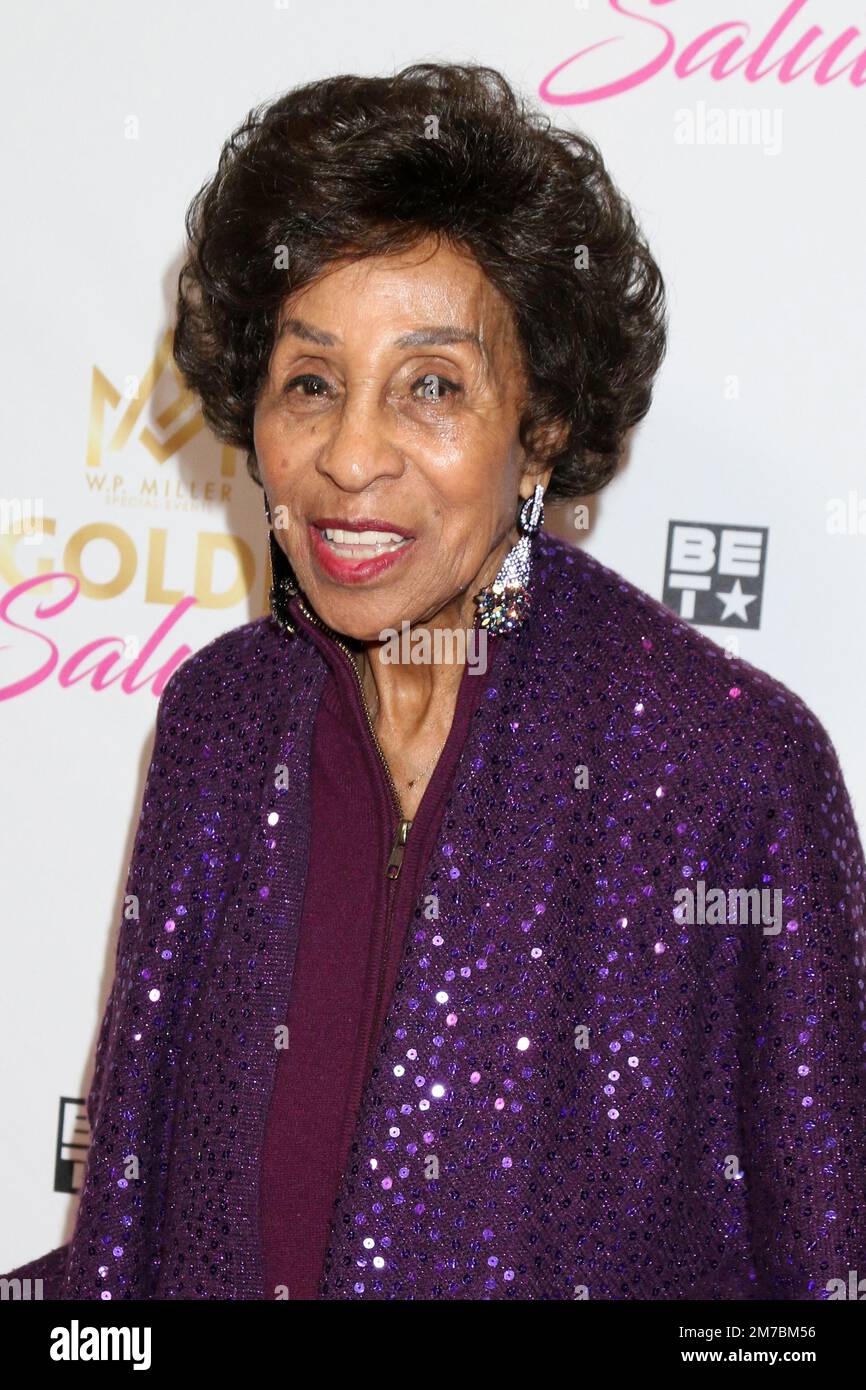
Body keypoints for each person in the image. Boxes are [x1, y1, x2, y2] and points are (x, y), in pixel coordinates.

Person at [5, 63, 864, 1300]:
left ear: (544, 425)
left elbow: (821, 1280)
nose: (351, 455)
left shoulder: (723, 766)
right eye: (310, 383)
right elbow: (126, 1254)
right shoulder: (220, 721)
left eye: (432, 387)